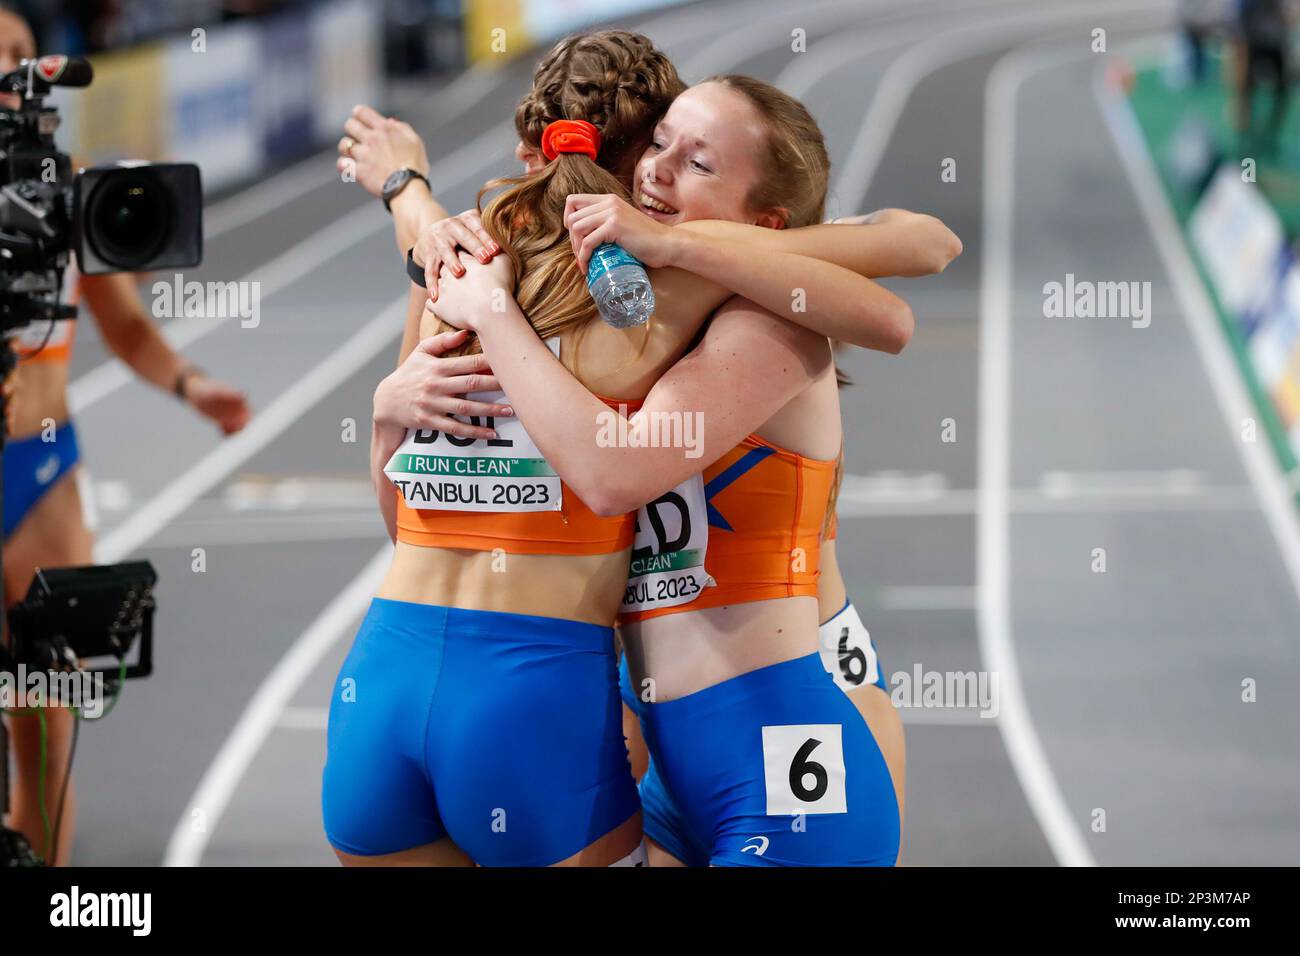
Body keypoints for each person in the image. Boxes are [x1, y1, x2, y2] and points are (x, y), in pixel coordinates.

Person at [324, 32, 923, 867]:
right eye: (662, 147)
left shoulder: (729, 296)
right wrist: (413, 223)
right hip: (656, 732)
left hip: (788, 712)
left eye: (697, 161)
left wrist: (413, 202)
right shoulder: (612, 289)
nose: (660, 174)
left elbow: (910, 275)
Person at [0, 6, 252, 866]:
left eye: (20, 54)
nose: (8, 68)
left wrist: (192, 385)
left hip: (43, 476)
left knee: (45, 724)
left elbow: (128, 327)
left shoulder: (71, 190)